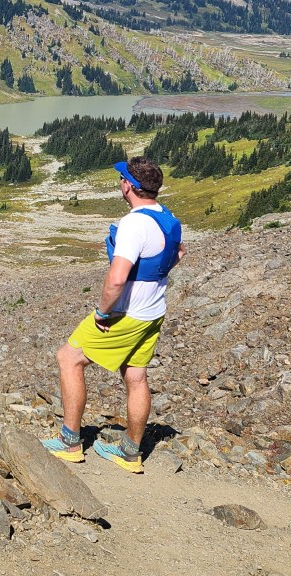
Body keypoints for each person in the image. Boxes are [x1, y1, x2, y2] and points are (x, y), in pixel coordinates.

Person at [42, 157, 184, 473]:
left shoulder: (134, 224)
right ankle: (131, 452)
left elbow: (117, 278)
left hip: (126, 314)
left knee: (68, 358)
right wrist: (154, 277)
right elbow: (180, 253)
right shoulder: (166, 217)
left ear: (128, 186)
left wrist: (102, 312)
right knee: (136, 376)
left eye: (122, 178)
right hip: (153, 312)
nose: (120, 183)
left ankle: (70, 443)